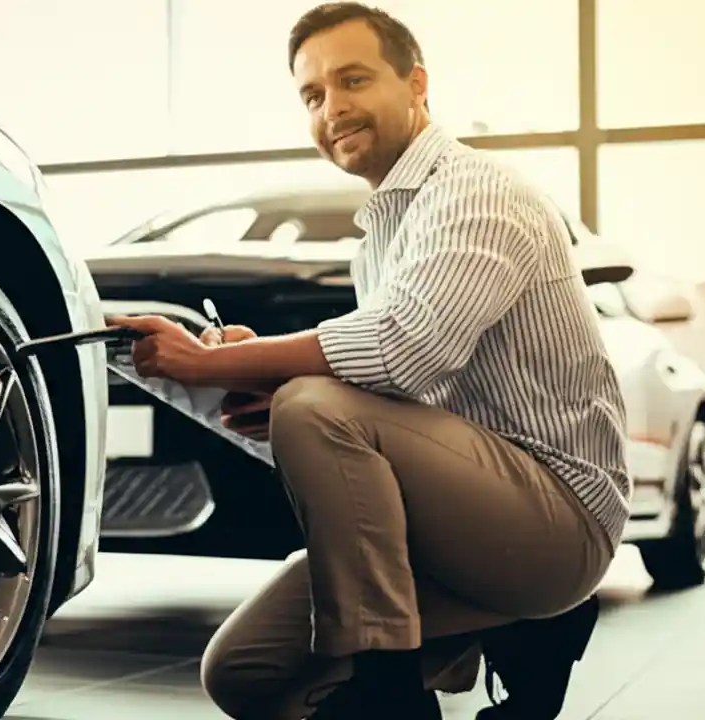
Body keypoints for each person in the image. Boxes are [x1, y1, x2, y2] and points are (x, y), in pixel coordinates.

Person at [105, 3, 630, 719]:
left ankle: (388, 692)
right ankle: (521, 631)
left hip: (555, 525)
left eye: (354, 80)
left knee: (312, 402)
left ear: (417, 84)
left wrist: (216, 364)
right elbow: (360, 455)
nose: (333, 108)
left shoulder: (476, 191)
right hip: (453, 529)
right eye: (313, 95)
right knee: (241, 672)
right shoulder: (376, 244)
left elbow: (403, 349)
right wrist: (237, 380)